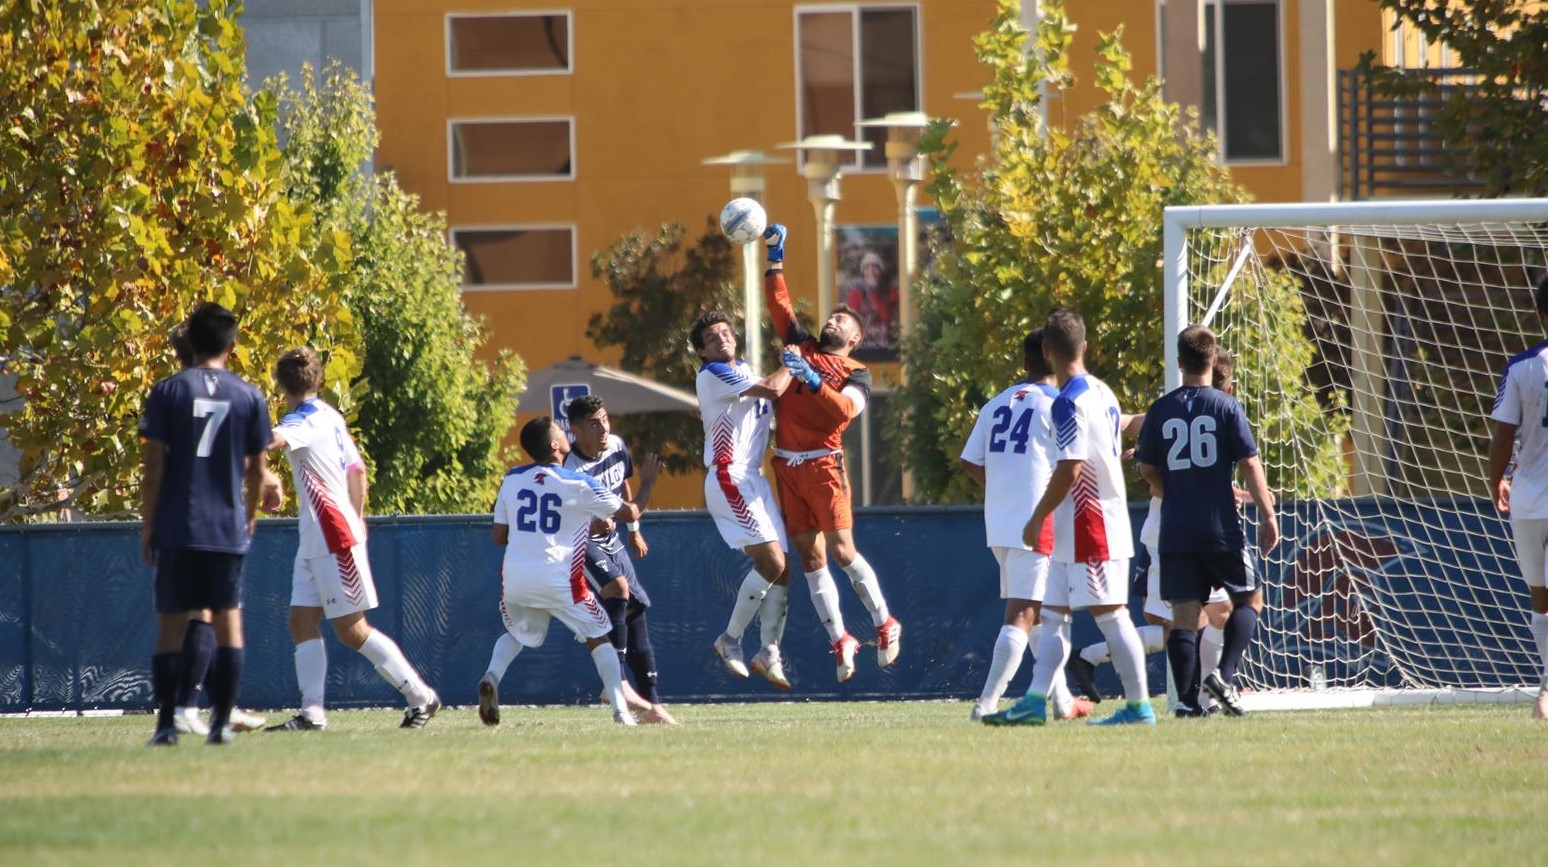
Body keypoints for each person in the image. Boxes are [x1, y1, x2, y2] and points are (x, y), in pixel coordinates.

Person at [984, 308, 1152, 726]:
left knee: (1112, 615)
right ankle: (1035, 701)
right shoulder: (1102, 391)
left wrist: (1035, 515)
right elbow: (1122, 427)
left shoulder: (1068, 403)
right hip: (1070, 527)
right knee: (1053, 615)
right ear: (1086, 347)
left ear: (1046, 350)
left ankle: (1139, 707)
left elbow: (1071, 468)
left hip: (1090, 524)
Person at [260, 347, 441, 732]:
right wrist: (358, 518)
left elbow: (271, 440)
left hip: (332, 536)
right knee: (301, 621)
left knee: (351, 629)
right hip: (319, 537)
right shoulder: (331, 416)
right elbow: (357, 472)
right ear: (320, 380)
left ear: (280, 384)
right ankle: (311, 713)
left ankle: (421, 697)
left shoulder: (303, 420)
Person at [762, 223, 902, 682]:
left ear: (855, 338)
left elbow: (842, 412)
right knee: (811, 558)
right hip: (787, 465)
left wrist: (814, 377)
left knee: (843, 552)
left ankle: (884, 622)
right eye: (832, 317)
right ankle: (841, 637)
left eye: (843, 321)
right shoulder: (800, 346)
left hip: (823, 465)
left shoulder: (856, 372)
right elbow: (780, 307)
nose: (833, 321)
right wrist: (774, 260)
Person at [139, 302, 273, 746]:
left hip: (178, 524)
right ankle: (219, 725)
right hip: (225, 527)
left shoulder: (168, 391)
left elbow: (153, 466)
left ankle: (164, 727)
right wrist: (249, 514)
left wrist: (148, 524)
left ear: (191, 342)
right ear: (231, 347)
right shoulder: (249, 395)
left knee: (171, 627)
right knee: (228, 623)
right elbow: (257, 469)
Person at [1136, 326, 1278, 718]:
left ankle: (1185, 703)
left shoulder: (1161, 410)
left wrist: (1175, 491)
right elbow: (1249, 462)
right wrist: (1267, 515)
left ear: (1180, 363)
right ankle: (1225, 676)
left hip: (1176, 528)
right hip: (1219, 526)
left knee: (1183, 615)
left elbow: (1147, 468)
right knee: (1249, 599)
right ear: (1213, 361)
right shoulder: (1226, 406)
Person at [479, 416, 655, 726]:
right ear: (554, 445)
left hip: (515, 578)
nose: (564, 431)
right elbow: (630, 513)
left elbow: (499, 536)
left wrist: (574, 524)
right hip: (559, 577)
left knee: (517, 633)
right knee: (601, 636)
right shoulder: (578, 482)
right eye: (559, 431)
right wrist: (648, 483)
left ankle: (491, 677)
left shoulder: (512, 478)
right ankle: (620, 711)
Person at [961, 328, 1093, 722]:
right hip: (1037, 521)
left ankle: (1062, 701)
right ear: (1053, 357)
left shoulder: (997, 404)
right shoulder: (1059, 404)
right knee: (1024, 611)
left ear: (1026, 361)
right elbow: (1075, 463)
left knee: (1039, 612)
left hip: (1000, 521)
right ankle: (986, 704)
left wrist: (1002, 485)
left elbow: (969, 461)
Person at [691, 310, 796, 689]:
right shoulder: (712, 374)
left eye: (725, 332)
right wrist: (794, 361)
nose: (721, 338)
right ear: (703, 352)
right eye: (711, 337)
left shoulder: (748, 369)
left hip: (754, 477)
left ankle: (769, 651)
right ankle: (730, 639)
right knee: (770, 560)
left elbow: (773, 394)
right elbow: (772, 389)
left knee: (783, 567)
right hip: (728, 475)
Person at [560, 394, 675, 724]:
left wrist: (634, 529)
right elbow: (572, 521)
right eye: (594, 424)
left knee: (636, 613)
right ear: (576, 430)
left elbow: (623, 485)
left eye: (605, 419)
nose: (603, 428)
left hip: (612, 540)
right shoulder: (571, 470)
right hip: (581, 544)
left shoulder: (616, 445)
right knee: (617, 588)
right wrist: (649, 485)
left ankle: (652, 706)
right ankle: (616, 684)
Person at [1488, 272, 1548, 721]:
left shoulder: (1522, 366)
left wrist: (1496, 480)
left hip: (1528, 499)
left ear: (1541, 315)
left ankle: (1546, 689)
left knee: (1540, 596)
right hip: (1530, 498)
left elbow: (1502, 435)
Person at [843, 250, 897, 353]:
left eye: (875, 268)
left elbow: (887, 318)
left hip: (886, 347)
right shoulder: (856, 294)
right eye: (867, 268)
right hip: (863, 348)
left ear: (881, 271)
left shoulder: (889, 293)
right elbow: (851, 322)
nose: (871, 272)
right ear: (863, 272)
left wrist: (874, 294)